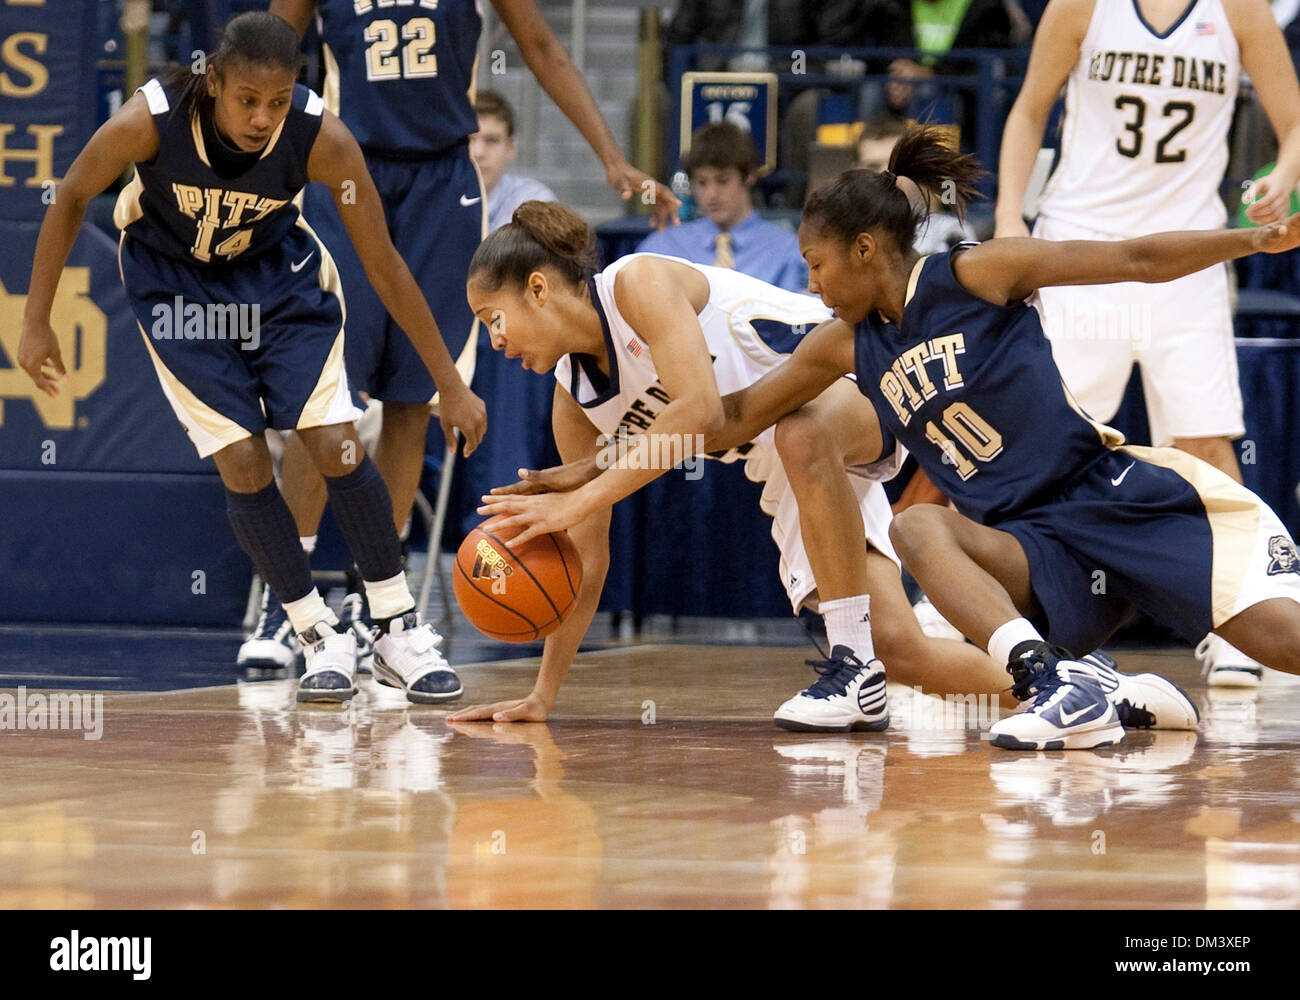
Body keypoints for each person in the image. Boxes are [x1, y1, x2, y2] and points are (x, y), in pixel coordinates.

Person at [446, 201, 1197, 736]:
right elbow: (590, 557)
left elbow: (704, 414)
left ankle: (848, 666)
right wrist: (543, 694)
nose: (498, 342)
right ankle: (1095, 685)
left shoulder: (637, 283)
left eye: (493, 320)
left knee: (800, 434)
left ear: (539, 287)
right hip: (789, 460)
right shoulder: (573, 404)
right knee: (905, 653)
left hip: (855, 380)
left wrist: (584, 491)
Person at [705, 127, 1300, 750]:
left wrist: (1255, 240)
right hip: (1032, 546)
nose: (812, 285)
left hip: (1112, 499)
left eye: (816, 264)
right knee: (917, 528)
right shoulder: (845, 342)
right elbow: (740, 412)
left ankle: (1084, 685)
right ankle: (1056, 681)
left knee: (1283, 641)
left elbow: (1135, 259)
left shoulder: (974, 273)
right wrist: (630, 434)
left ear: (862, 249)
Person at [15, 11, 486, 705]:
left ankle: (394, 625)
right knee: (239, 458)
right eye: (247, 101)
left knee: (333, 438)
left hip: (278, 279)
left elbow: (382, 262)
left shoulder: (322, 137)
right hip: (175, 287)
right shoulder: (150, 120)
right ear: (213, 84)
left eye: (277, 101)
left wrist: (450, 381)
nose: (263, 117)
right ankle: (313, 632)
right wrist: (35, 320)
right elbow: (71, 195)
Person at [256, 0, 677, 675]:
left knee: (411, 397)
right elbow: (269, 53)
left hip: (443, 177)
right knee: (323, 391)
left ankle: (380, 607)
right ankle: (291, 604)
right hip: (343, 167)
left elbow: (541, 46)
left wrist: (612, 159)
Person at [994, 0, 1300, 687]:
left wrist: (1283, 176)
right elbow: (1027, 109)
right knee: (1049, 445)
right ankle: (1000, 611)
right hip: (1081, 247)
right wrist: (1013, 212)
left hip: (1186, 252)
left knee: (1205, 443)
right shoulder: (1082, 6)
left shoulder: (1239, 11)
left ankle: (1237, 627)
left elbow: (1295, 121)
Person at [637, 122, 807, 293]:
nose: (711, 194)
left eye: (723, 180)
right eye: (701, 182)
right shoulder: (661, 249)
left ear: (749, 176)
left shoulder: (787, 250)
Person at [471, 90, 558, 234]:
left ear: (510, 148)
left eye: (492, 140)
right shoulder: (433, 198)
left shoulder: (533, 200)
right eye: (468, 140)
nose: (478, 152)